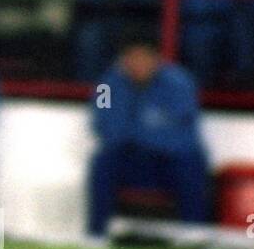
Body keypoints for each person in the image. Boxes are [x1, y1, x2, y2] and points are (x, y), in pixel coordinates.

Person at [88, 35, 209, 236]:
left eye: (143, 58)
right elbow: (101, 125)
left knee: (191, 161)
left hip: (168, 161)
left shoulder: (180, 83)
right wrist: (145, 131)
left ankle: (194, 234)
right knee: (103, 161)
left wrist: (134, 132)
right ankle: (96, 235)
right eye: (131, 58)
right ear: (123, 59)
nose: (138, 64)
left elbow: (183, 134)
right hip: (130, 159)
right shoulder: (106, 86)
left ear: (157, 59)